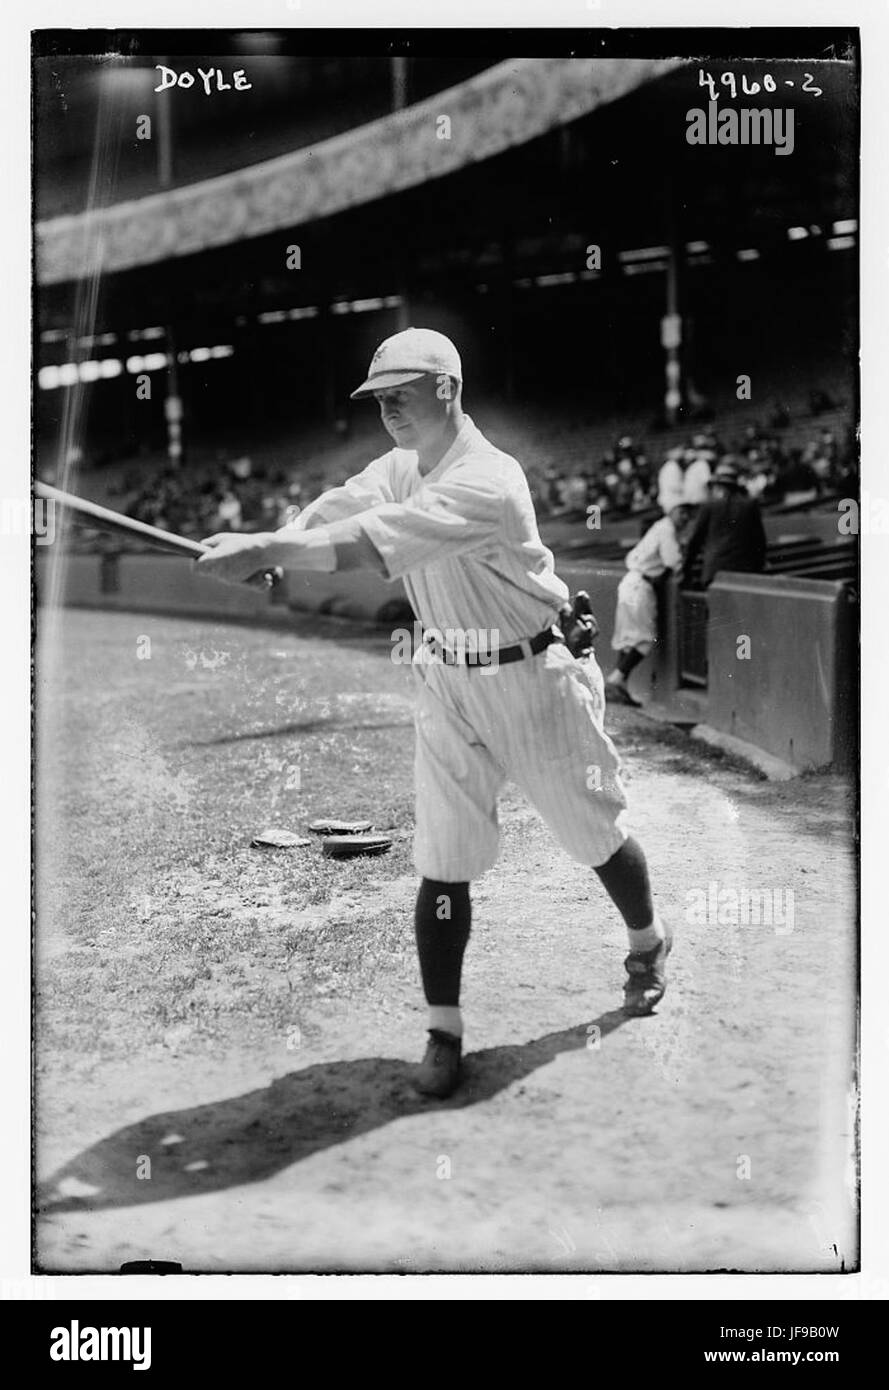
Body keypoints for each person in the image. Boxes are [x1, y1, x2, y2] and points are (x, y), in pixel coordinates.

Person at [197, 328, 674, 1099]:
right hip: (448, 678)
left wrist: (262, 549)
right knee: (442, 860)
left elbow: (366, 543)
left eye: (401, 395)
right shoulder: (397, 467)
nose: (386, 411)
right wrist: (276, 548)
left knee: (592, 832)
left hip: (533, 675)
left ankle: (647, 943)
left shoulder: (488, 479)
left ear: (446, 389)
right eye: (377, 399)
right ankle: (443, 1028)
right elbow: (334, 515)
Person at [605, 505, 691, 706]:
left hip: (631, 582)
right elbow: (673, 561)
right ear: (671, 511)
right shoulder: (666, 528)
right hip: (641, 585)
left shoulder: (660, 527)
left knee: (628, 638)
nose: (686, 518)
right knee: (643, 639)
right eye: (682, 512)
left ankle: (620, 687)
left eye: (689, 514)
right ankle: (615, 680)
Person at [681, 459, 767, 588]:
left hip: (715, 572)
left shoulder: (709, 506)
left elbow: (695, 541)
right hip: (745, 572)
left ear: (718, 486)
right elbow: (760, 541)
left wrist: (685, 570)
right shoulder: (750, 505)